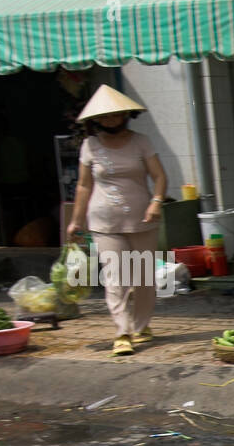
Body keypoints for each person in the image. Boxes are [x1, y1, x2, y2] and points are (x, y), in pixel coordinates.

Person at [66, 85, 168, 356]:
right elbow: (84, 186)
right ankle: (122, 332)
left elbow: (159, 176)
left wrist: (156, 202)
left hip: (143, 217)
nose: (111, 120)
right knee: (116, 276)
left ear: (126, 114)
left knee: (144, 276)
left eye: (116, 115)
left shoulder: (141, 141)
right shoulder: (90, 146)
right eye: (105, 116)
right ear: (96, 119)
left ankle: (141, 324)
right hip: (103, 221)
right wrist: (76, 221)